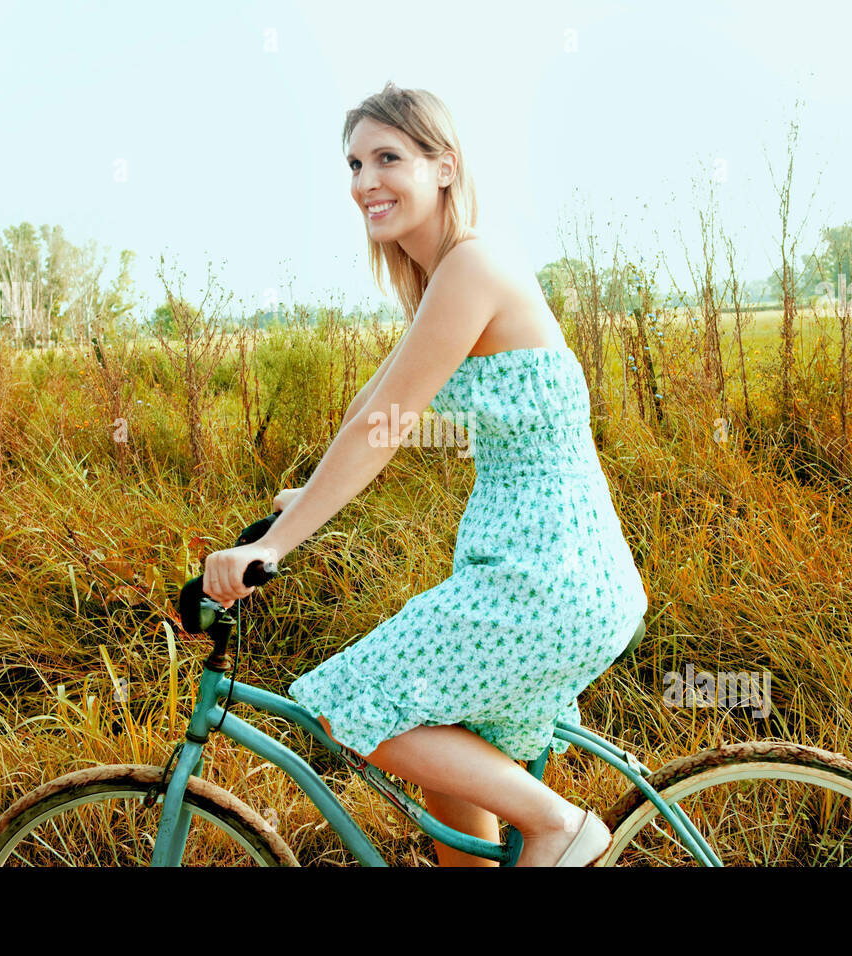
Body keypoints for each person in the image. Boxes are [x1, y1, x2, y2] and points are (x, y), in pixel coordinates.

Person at [202, 81, 647, 867]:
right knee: (448, 750)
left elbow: (382, 432)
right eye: (353, 163)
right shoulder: (441, 282)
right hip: (531, 568)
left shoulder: (473, 268)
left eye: (387, 158)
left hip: (545, 578)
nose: (365, 181)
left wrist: (274, 550)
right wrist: (300, 505)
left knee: (352, 706)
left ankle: (559, 826)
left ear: (444, 167)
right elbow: (366, 408)